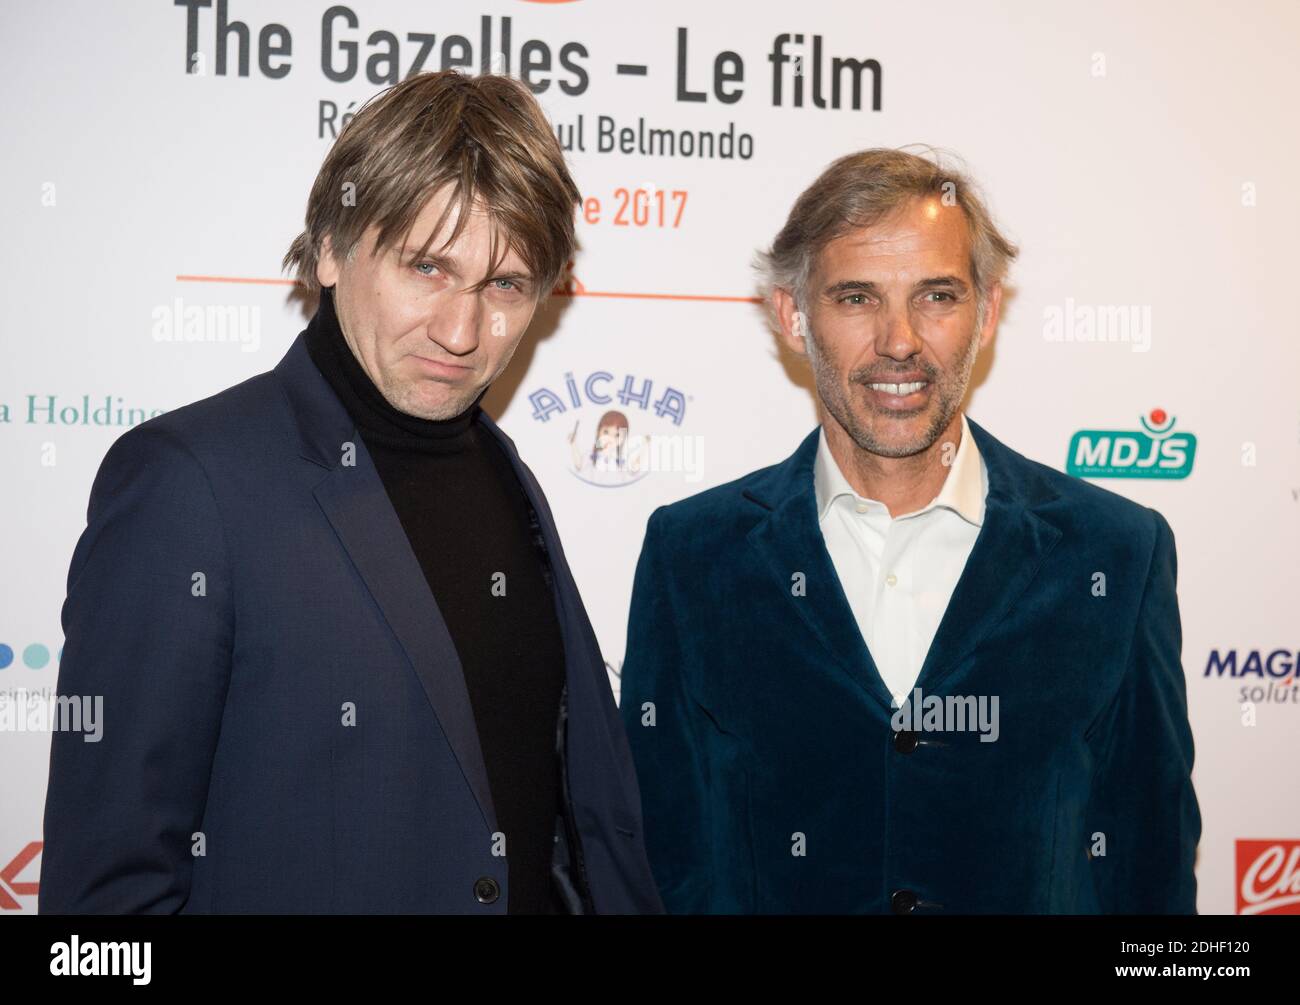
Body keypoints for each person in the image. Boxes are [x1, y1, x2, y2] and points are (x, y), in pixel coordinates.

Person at [40, 70, 662, 915]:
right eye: (427, 267)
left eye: (504, 285)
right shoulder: (188, 484)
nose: (461, 330)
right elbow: (106, 901)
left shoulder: (506, 473)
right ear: (332, 247)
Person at [619, 147, 1200, 914]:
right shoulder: (692, 556)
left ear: (987, 312)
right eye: (857, 298)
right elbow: (660, 866)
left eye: (935, 296)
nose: (900, 341)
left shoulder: (1115, 554)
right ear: (794, 316)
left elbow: (1150, 874)